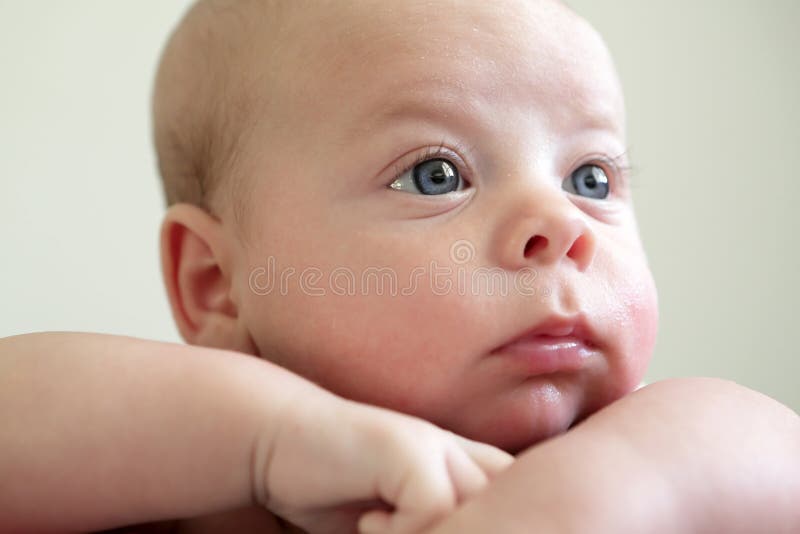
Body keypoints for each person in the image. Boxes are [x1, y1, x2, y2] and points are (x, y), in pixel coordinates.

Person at [1, 1, 798, 533]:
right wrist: (273, 441)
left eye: (591, 179)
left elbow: (774, 455)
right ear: (217, 283)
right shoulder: (200, 471)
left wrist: (588, 498)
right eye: (436, 175)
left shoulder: (643, 443)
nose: (562, 227)